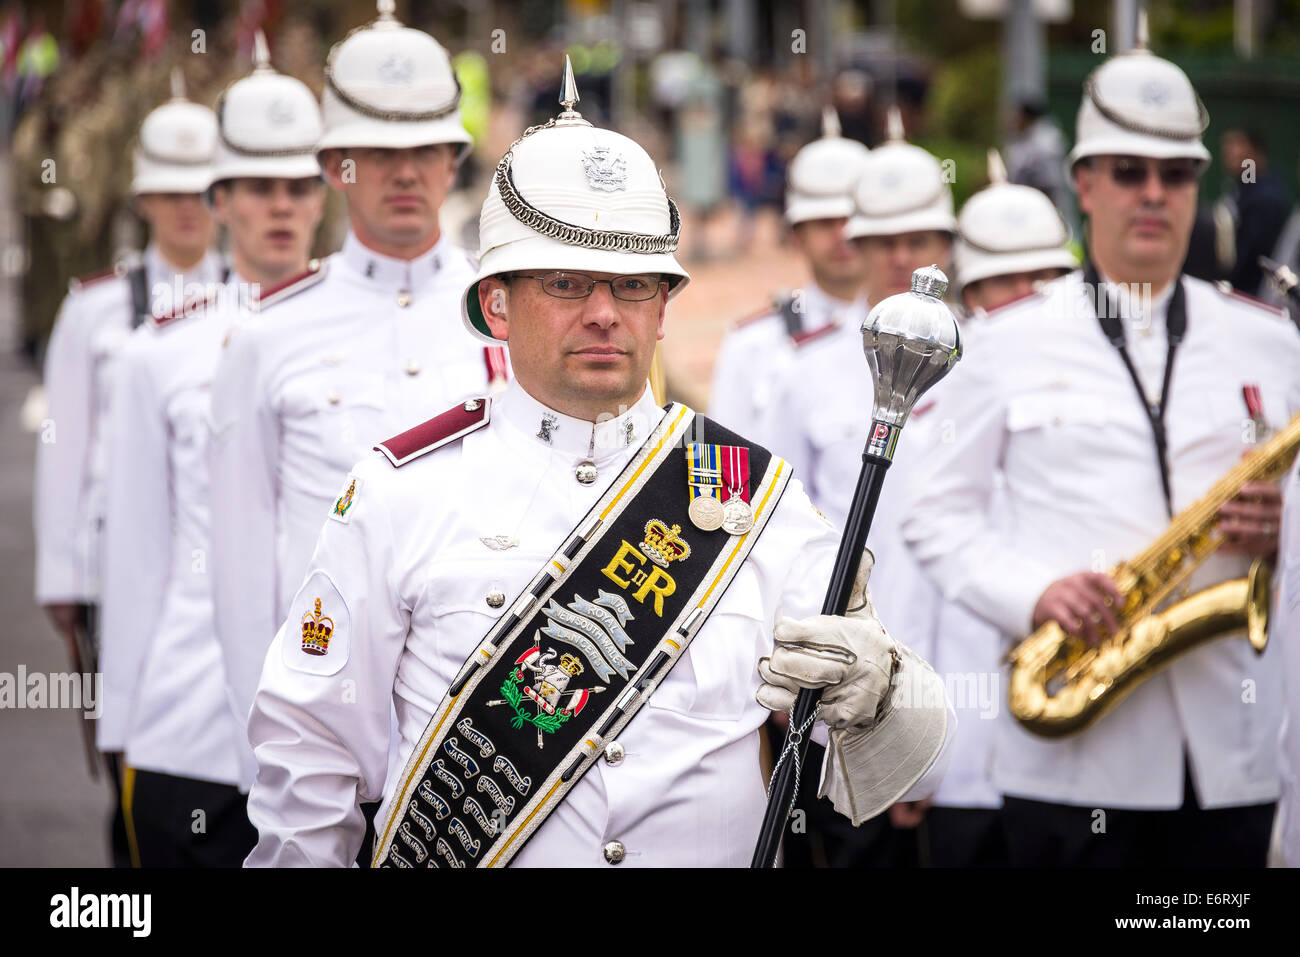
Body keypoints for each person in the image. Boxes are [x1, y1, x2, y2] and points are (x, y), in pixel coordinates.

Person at [242, 60, 951, 868]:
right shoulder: (402, 491)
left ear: (664, 304)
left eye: (635, 285)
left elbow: (907, 760)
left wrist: (880, 691)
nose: (606, 312)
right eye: (568, 282)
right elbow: (310, 754)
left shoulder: (752, 496)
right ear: (496, 302)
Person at [901, 39, 1300, 867]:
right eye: (1127, 171)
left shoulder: (1270, 343)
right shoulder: (1005, 343)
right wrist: (1034, 592)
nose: (1153, 194)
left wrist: (1282, 531)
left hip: (1231, 754)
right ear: (1084, 182)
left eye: (1176, 174)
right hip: (1073, 756)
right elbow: (935, 513)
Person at [209, 1, 510, 738]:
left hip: (482, 716)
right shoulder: (265, 336)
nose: (404, 172)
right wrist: (268, 760)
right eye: (376, 153)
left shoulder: (511, 313)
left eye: (426, 150)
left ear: (453, 161)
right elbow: (242, 571)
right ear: (333, 168)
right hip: (325, 703)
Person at [94, 35, 325, 868]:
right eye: (258, 187)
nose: (281, 206)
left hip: (338, 733)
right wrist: (118, 725)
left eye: (299, 186)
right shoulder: (157, 355)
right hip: (193, 730)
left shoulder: (367, 345)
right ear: (220, 197)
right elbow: (136, 560)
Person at [862, 151, 1078, 867]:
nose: (1025, 295)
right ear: (971, 293)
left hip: (1076, 734)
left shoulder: (1097, 386)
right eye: (1003, 282)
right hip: (961, 744)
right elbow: (912, 577)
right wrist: (907, 749)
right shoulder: (943, 391)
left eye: (1043, 279)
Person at [33, 77, 222, 867]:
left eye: (204, 191)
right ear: (143, 199)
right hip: (121, 566)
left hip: (219, 564)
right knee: (132, 756)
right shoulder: (96, 310)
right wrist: (63, 579)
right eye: (170, 192)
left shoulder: (260, 301)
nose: (187, 208)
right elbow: (64, 444)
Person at [708, 107, 869, 444]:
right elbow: (727, 469)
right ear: (796, 236)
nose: (843, 235)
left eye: (853, 222)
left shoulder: (917, 337)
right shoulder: (753, 345)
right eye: (825, 222)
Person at [1219, 127, 1290, 297]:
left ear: (1256, 152)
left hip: (1256, 295)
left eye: (1238, 148)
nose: (1231, 156)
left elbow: (1248, 259)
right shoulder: (1245, 187)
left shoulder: (1265, 199)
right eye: (1228, 150)